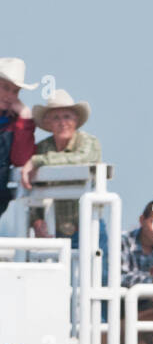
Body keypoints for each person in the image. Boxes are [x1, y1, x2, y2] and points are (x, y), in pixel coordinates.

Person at [22, 89, 102, 242]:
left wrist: (37, 161)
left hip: (88, 227)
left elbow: (81, 158)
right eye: (56, 118)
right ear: (48, 122)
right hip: (54, 230)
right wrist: (36, 220)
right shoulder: (42, 148)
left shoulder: (89, 142)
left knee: (96, 265)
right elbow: (33, 189)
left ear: (76, 120)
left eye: (67, 117)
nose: (62, 123)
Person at [0, 58, 36, 219]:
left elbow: (21, 159)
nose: (10, 96)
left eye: (15, 91)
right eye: (5, 88)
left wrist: (25, 116)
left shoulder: (15, 123)